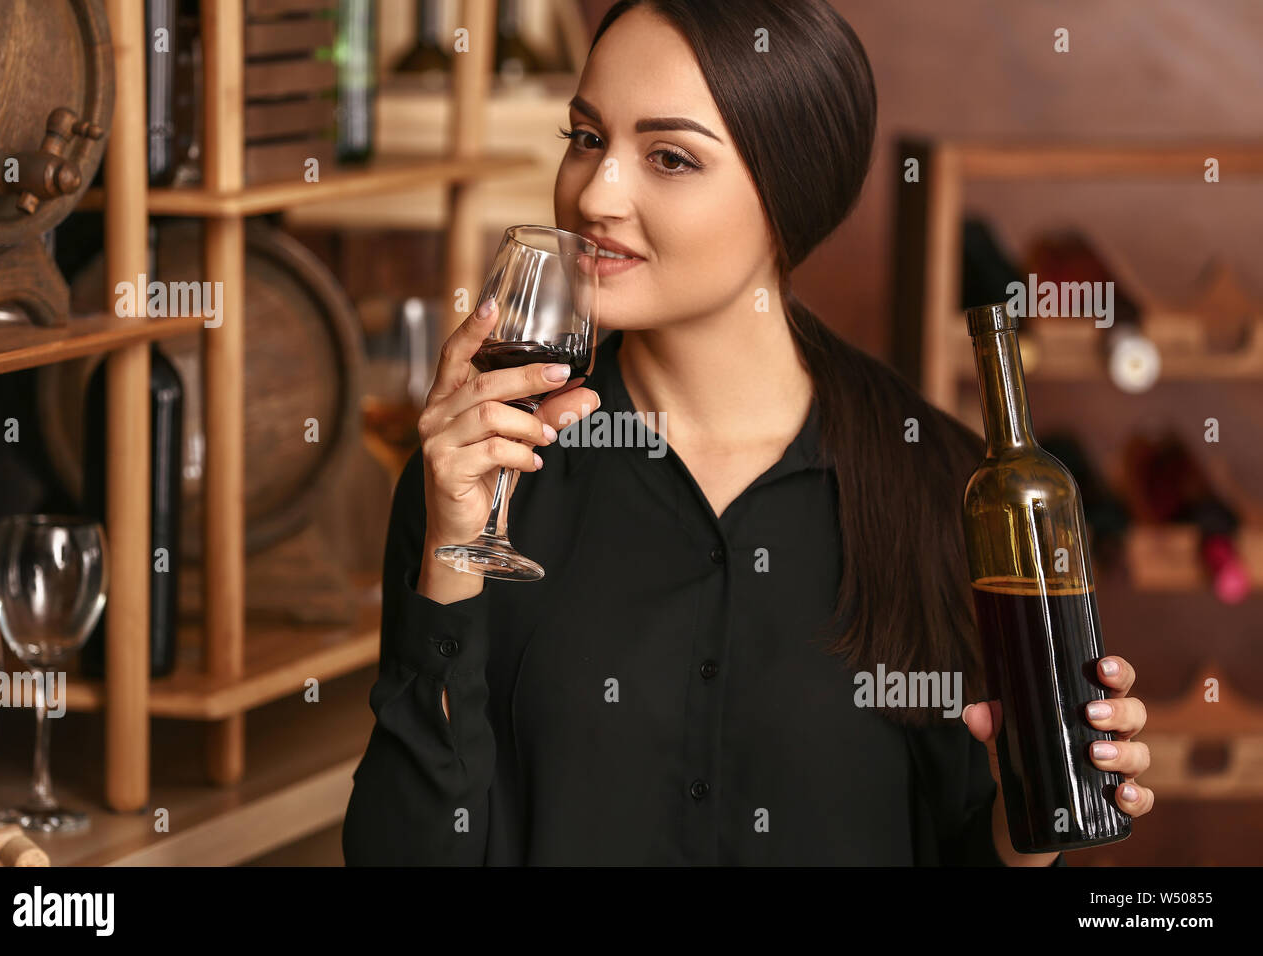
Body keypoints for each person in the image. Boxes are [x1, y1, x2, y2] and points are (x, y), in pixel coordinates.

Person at [342, 0, 1154, 865]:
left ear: (786, 192)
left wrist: (1023, 827)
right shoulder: (486, 477)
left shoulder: (940, 486)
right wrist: (449, 559)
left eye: (669, 157)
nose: (594, 193)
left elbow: (965, 847)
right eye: (586, 138)